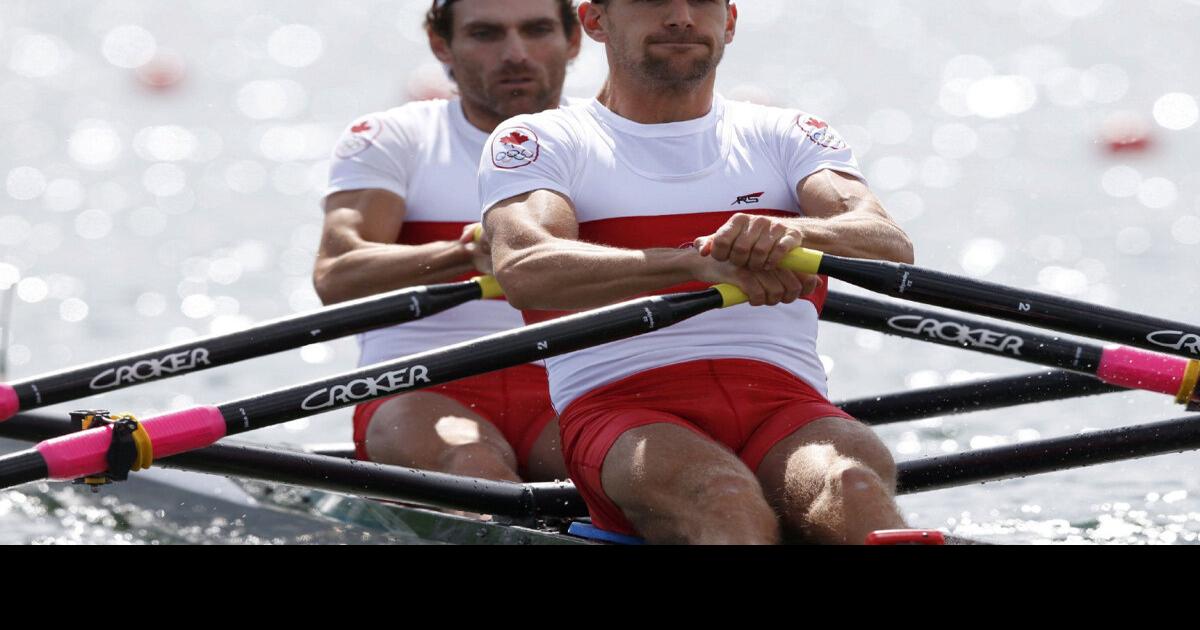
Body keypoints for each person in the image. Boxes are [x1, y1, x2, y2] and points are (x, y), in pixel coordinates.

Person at [479, 0, 915, 543]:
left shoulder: (787, 134)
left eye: (702, 2)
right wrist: (692, 261)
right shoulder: (541, 140)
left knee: (854, 484)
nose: (682, 17)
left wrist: (789, 234)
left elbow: (887, 243)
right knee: (724, 498)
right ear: (594, 20)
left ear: (729, 21)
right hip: (622, 408)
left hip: (785, 403)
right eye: (653, 2)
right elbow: (524, 267)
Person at [314, 0, 582, 483]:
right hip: (421, 385)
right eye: (486, 34)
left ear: (575, 40)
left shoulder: (605, 140)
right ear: (442, 45)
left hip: (565, 385)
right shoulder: (398, 139)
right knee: (474, 466)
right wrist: (465, 255)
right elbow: (335, 275)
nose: (515, 53)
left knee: (635, 476)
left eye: (537, 30)